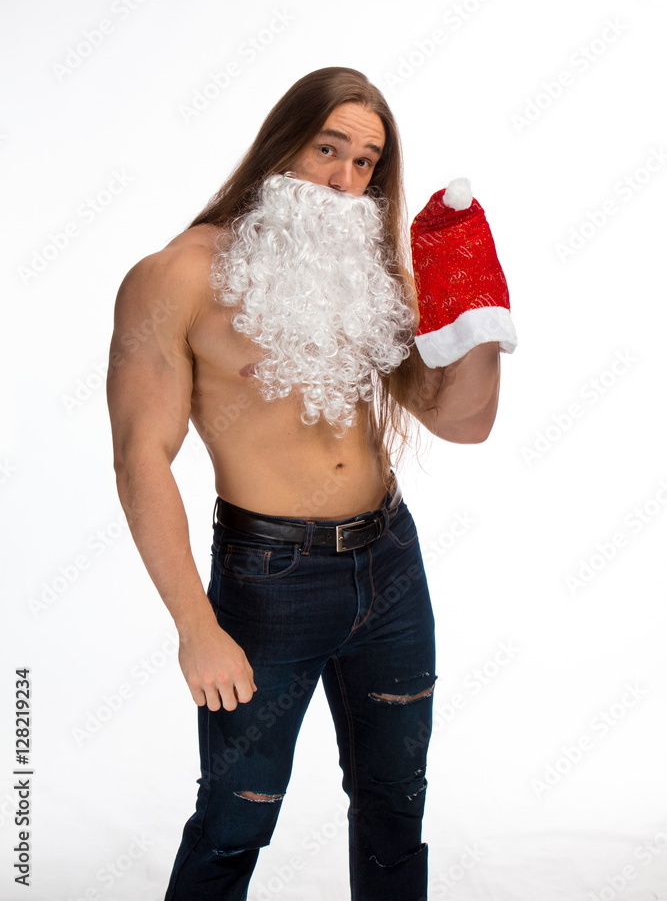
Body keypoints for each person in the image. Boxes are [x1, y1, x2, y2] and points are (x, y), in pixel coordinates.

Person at [106, 66, 507, 901]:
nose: (344, 180)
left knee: (396, 808)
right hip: (269, 582)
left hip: (391, 565)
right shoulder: (174, 275)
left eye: (366, 163)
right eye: (329, 149)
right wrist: (194, 625)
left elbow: (461, 423)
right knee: (234, 818)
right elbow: (141, 455)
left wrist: (471, 307)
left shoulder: (363, 269)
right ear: (280, 139)